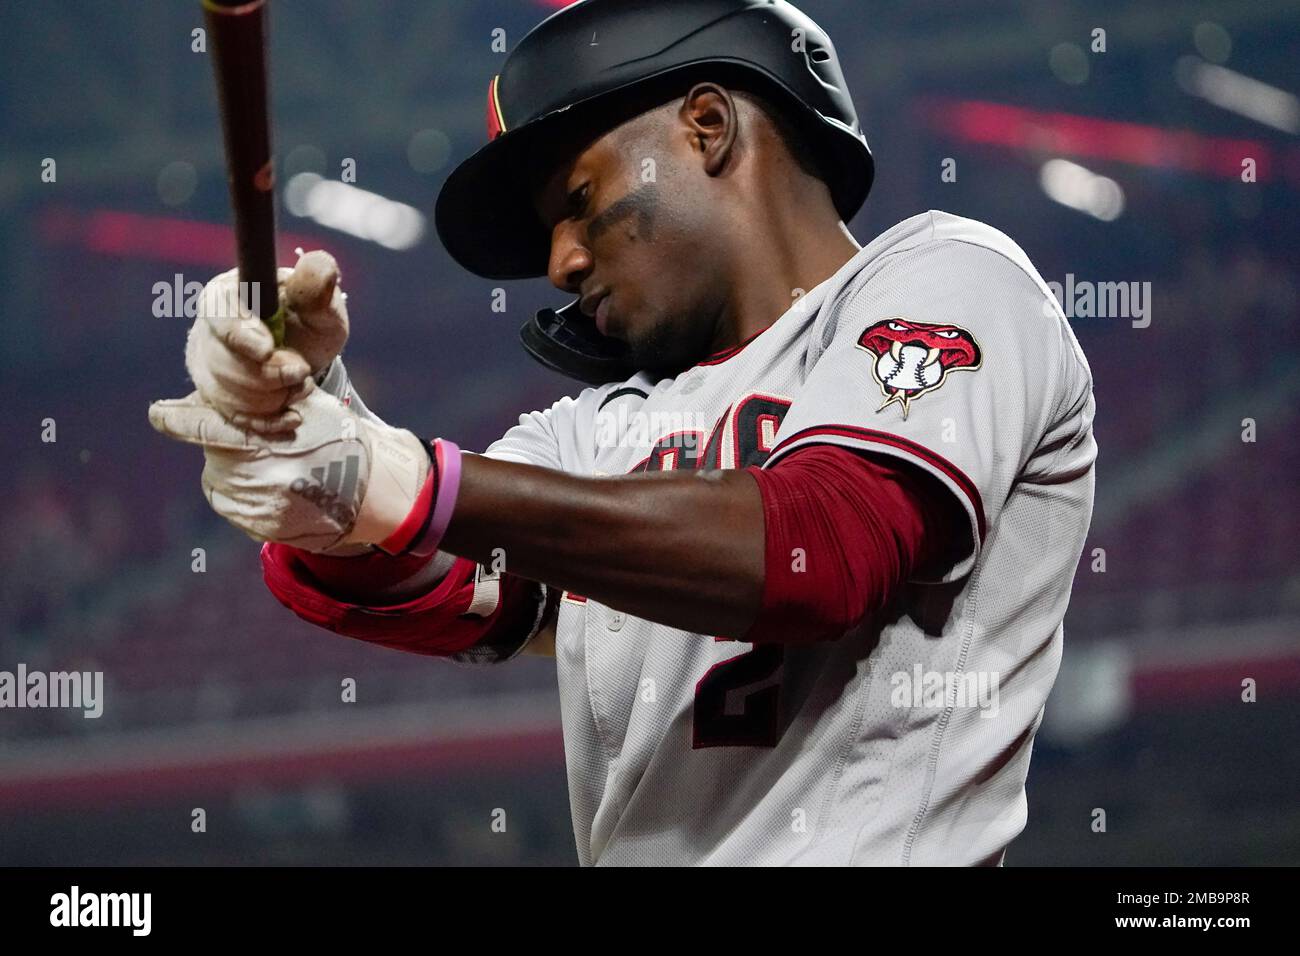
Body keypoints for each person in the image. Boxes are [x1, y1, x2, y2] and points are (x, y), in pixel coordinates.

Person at [150, 0, 1096, 865]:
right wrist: (309, 430)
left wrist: (396, 479)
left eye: (577, 200)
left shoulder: (950, 277)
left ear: (707, 127)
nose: (560, 263)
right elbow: (433, 584)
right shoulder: (591, 433)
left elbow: (823, 550)